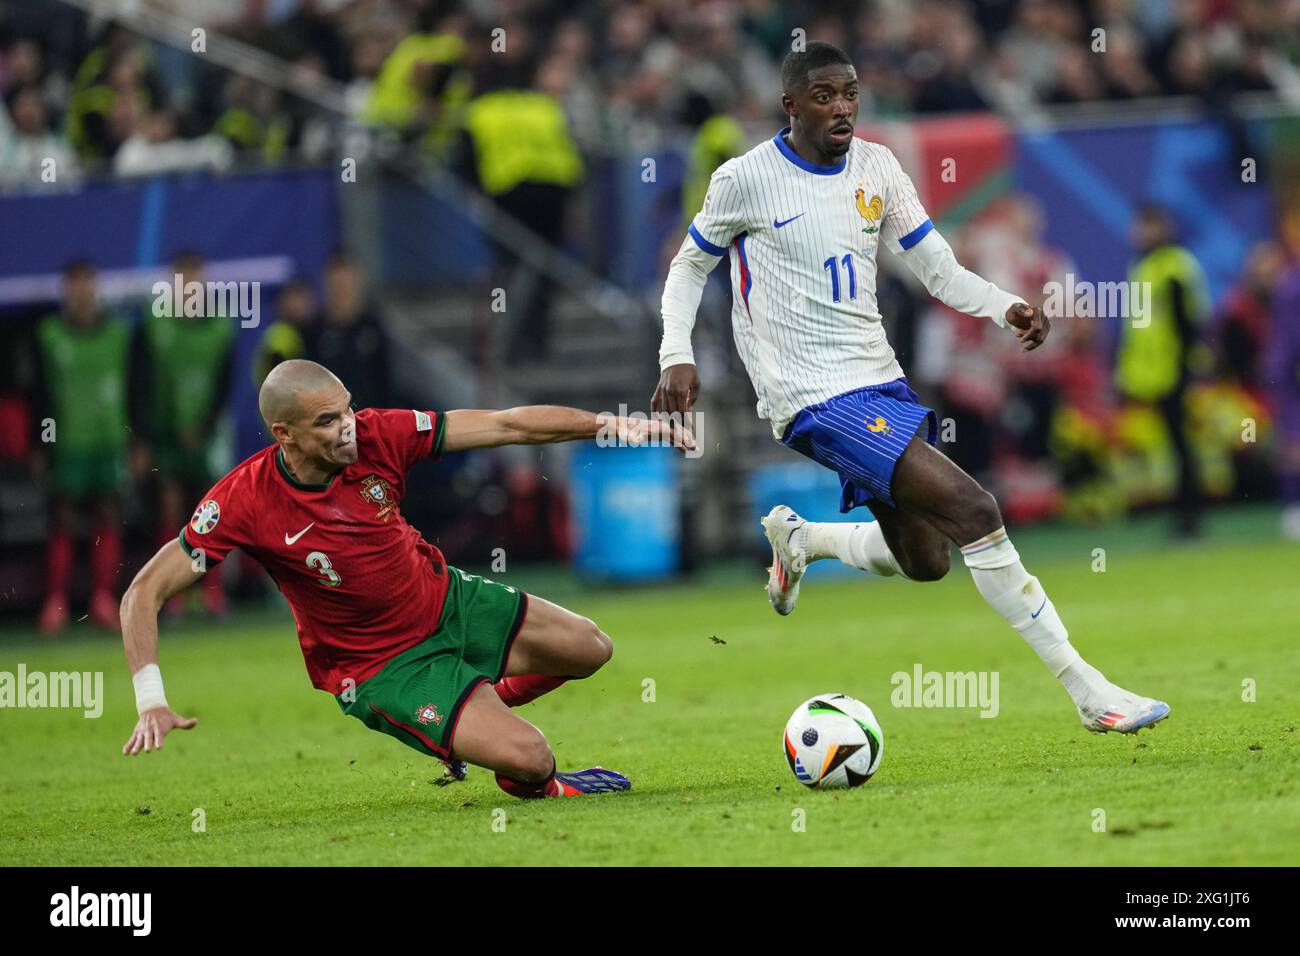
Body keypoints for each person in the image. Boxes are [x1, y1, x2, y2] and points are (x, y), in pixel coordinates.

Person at [651, 42, 1168, 735]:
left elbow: (937, 268)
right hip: (808, 395)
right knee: (976, 507)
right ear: (792, 105)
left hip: (878, 378)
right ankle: (1089, 691)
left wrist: (1001, 304)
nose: (842, 108)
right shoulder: (745, 179)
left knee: (926, 560)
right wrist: (675, 353)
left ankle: (804, 541)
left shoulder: (878, 166)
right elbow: (689, 266)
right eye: (826, 96)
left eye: (851, 94)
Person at [120, 360, 695, 798]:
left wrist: (621, 427)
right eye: (326, 422)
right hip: (384, 666)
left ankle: (477, 706)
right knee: (530, 757)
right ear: (283, 433)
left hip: (446, 601)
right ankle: (545, 784)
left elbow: (507, 425)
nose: (347, 429)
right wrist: (151, 700)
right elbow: (143, 592)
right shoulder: (244, 500)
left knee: (591, 648)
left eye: (346, 409)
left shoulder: (378, 434)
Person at [33, 260, 132, 634]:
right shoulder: (50, 335)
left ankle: (103, 598)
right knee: (62, 518)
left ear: (95, 288)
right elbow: (41, 396)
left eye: (86, 283)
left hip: (108, 443)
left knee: (108, 514)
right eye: (73, 284)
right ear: (65, 291)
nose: (81, 291)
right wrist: (43, 444)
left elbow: (132, 390)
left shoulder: (118, 335)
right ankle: (55, 601)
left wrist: (134, 440)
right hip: (67, 444)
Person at [1116, 204, 1211, 538]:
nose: (1138, 232)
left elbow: (1188, 323)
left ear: (1161, 226)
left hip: (1173, 371)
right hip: (1152, 374)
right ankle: (1181, 513)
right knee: (1170, 446)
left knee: (1181, 445)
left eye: (1144, 225)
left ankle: (1190, 516)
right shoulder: (1148, 265)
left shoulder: (1173, 266)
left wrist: (1188, 368)